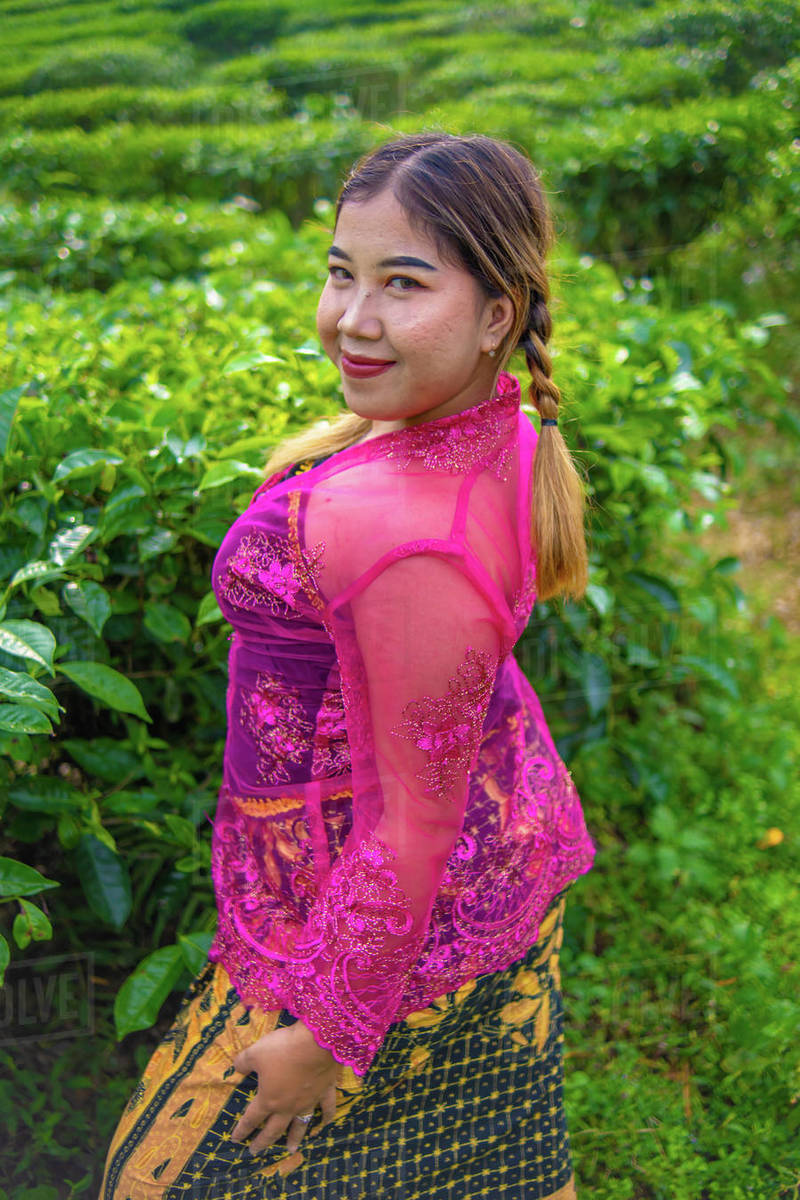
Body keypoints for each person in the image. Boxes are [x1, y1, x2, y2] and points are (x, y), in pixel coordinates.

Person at [100, 131, 596, 1200]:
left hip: (373, 914)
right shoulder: (476, 421)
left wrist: (323, 1032)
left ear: (496, 315)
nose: (351, 319)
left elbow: (410, 822)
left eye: (401, 284)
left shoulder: (403, 531)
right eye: (340, 271)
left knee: (156, 1179)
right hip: (487, 860)